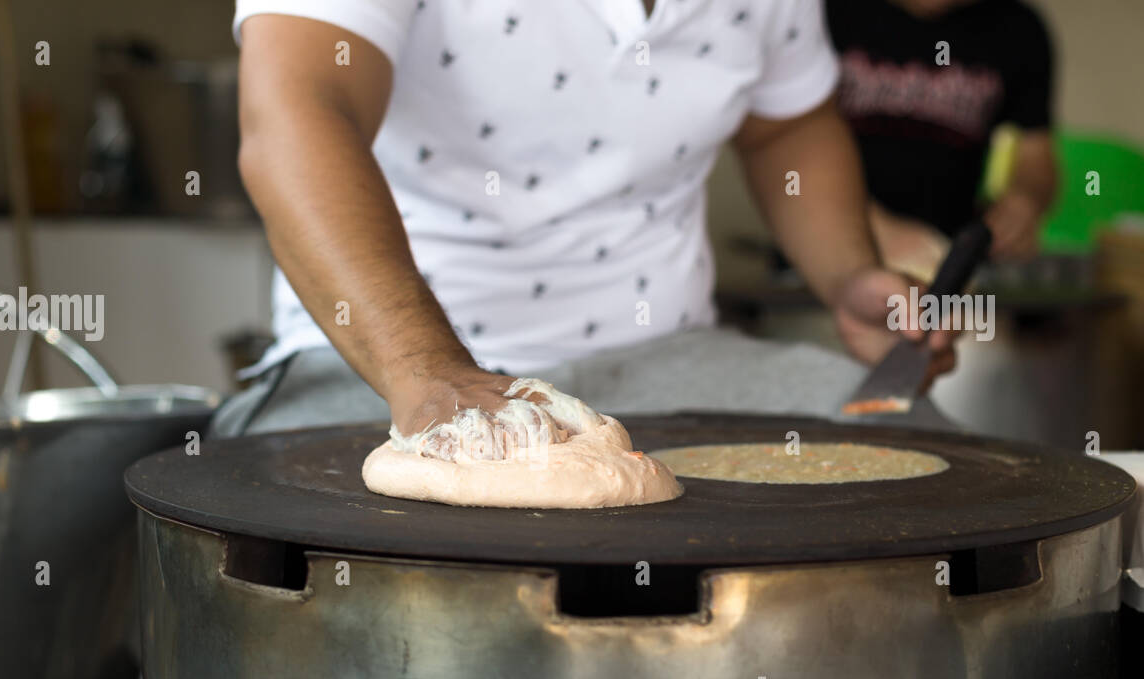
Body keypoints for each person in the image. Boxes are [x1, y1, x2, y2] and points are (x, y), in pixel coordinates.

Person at [211, 0, 962, 444]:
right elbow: (299, 113)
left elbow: (785, 128)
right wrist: (427, 372)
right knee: (287, 551)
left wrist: (848, 273)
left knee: (918, 455)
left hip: (671, 357)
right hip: (379, 368)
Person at [827, 0, 1059, 278]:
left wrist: (1025, 200)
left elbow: (1035, 157)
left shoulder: (1018, 28)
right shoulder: (826, 11)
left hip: (952, 267)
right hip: (826, 259)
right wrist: (870, 227)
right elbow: (792, 150)